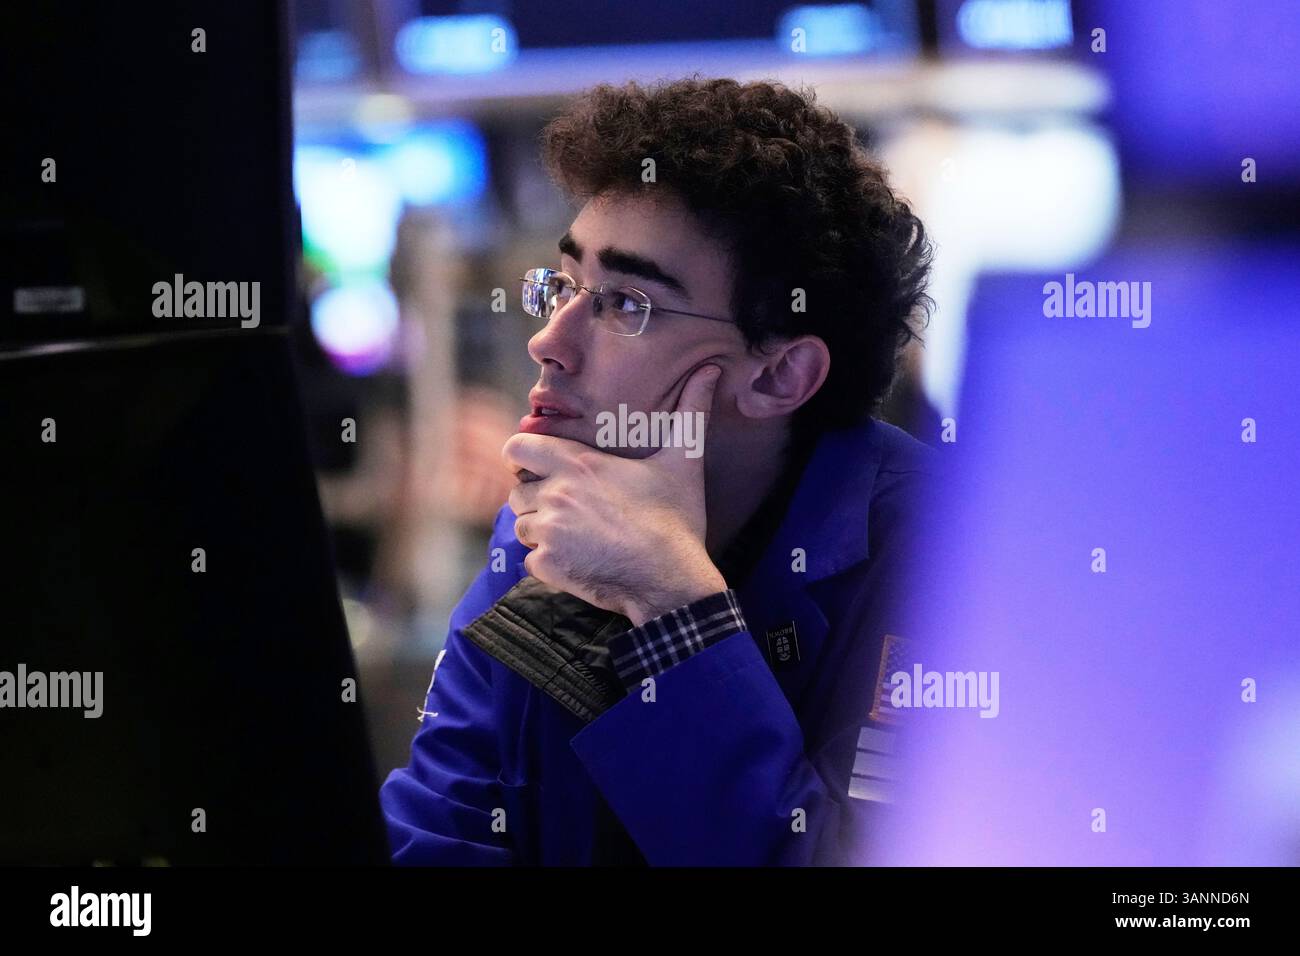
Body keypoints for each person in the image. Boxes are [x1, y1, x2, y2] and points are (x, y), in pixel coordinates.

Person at [380, 76, 936, 865]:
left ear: (778, 377)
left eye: (626, 303)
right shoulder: (554, 518)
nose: (550, 340)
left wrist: (674, 606)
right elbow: (437, 836)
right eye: (565, 286)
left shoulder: (954, 559)